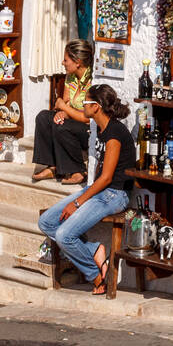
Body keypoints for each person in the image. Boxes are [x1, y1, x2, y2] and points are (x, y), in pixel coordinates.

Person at [37, 85, 136, 294]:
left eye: (86, 102)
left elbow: (108, 177)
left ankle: (96, 274)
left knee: (64, 235)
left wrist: (77, 203)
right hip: (99, 190)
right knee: (46, 222)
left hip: (115, 194)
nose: (82, 106)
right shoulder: (101, 129)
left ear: (96, 107)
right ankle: (94, 251)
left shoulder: (115, 133)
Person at [31, 40, 93, 185]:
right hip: (73, 118)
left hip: (88, 129)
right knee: (43, 117)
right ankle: (52, 166)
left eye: (66, 60)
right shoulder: (70, 76)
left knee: (61, 126)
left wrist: (65, 109)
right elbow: (65, 101)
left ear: (77, 62)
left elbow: (86, 117)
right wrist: (63, 112)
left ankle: (78, 170)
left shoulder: (92, 81)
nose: (62, 63)